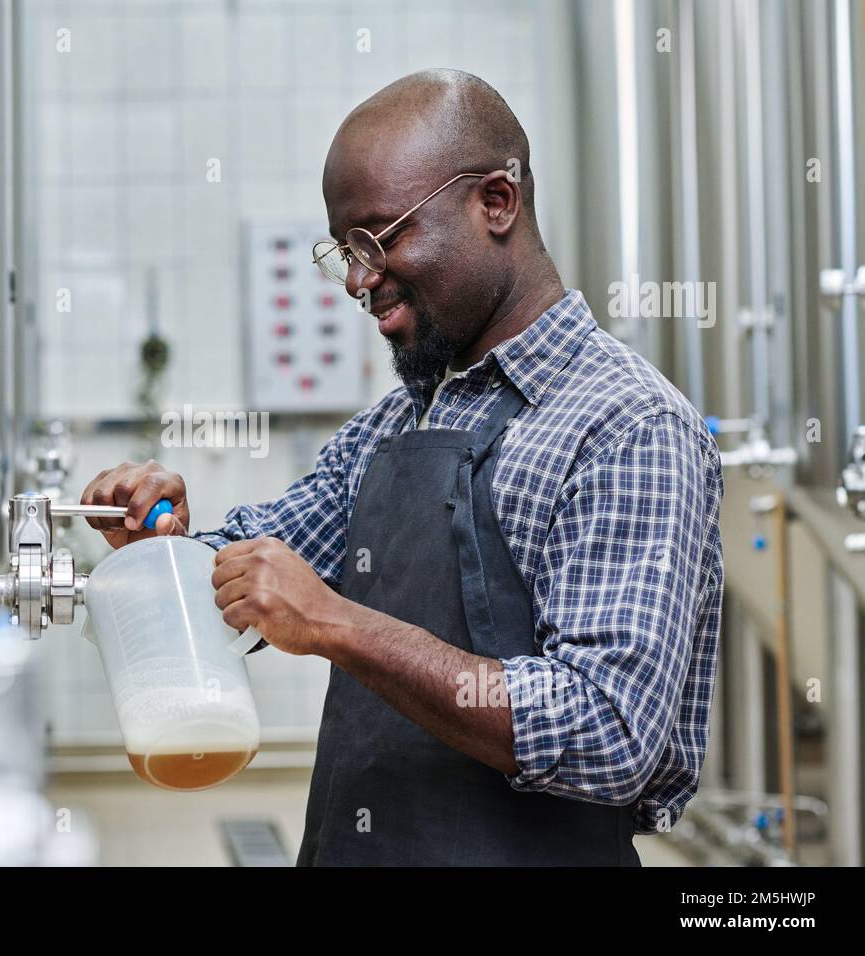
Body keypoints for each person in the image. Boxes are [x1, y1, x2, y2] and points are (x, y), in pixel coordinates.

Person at [80, 69, 724, 866]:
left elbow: (607, 727)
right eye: (344, 251)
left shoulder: (626, 426)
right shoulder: (394, 423)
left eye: (379, 239)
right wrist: (164, 543)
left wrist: (342, 627)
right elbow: (259, 569)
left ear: (496, 202)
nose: (357, 279)